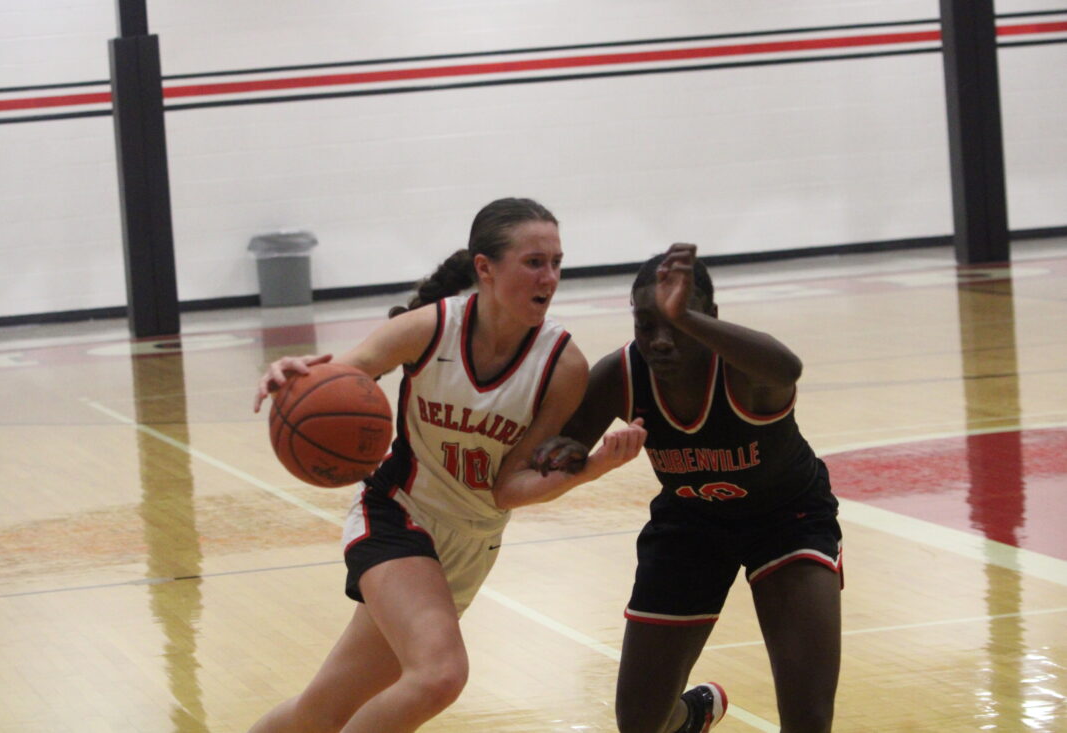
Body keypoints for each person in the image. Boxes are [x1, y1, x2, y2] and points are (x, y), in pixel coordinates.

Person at [247, 197, 648, 733]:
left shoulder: (562, 365)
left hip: (472, 543)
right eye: (534, 262)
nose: (549, 276)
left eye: (556, 262)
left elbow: (508, 488)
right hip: (397, 516)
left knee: (323, 707)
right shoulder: (429, 328)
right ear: (485, 267)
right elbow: (343, 375)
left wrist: (593, 467)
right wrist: (290, 375)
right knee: (440, 675)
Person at [533, 243, 842, 733]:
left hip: (789, 521)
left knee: (807, 718)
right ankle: (690, 717)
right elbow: (563, 447)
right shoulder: (621, 374)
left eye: (676, 323)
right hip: (690, 524)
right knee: (639, 723)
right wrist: (567, 455)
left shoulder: (745, 372)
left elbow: (788, 369)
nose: (659, 340)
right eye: (646, 324)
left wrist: (688, 318)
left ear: (709, 318)